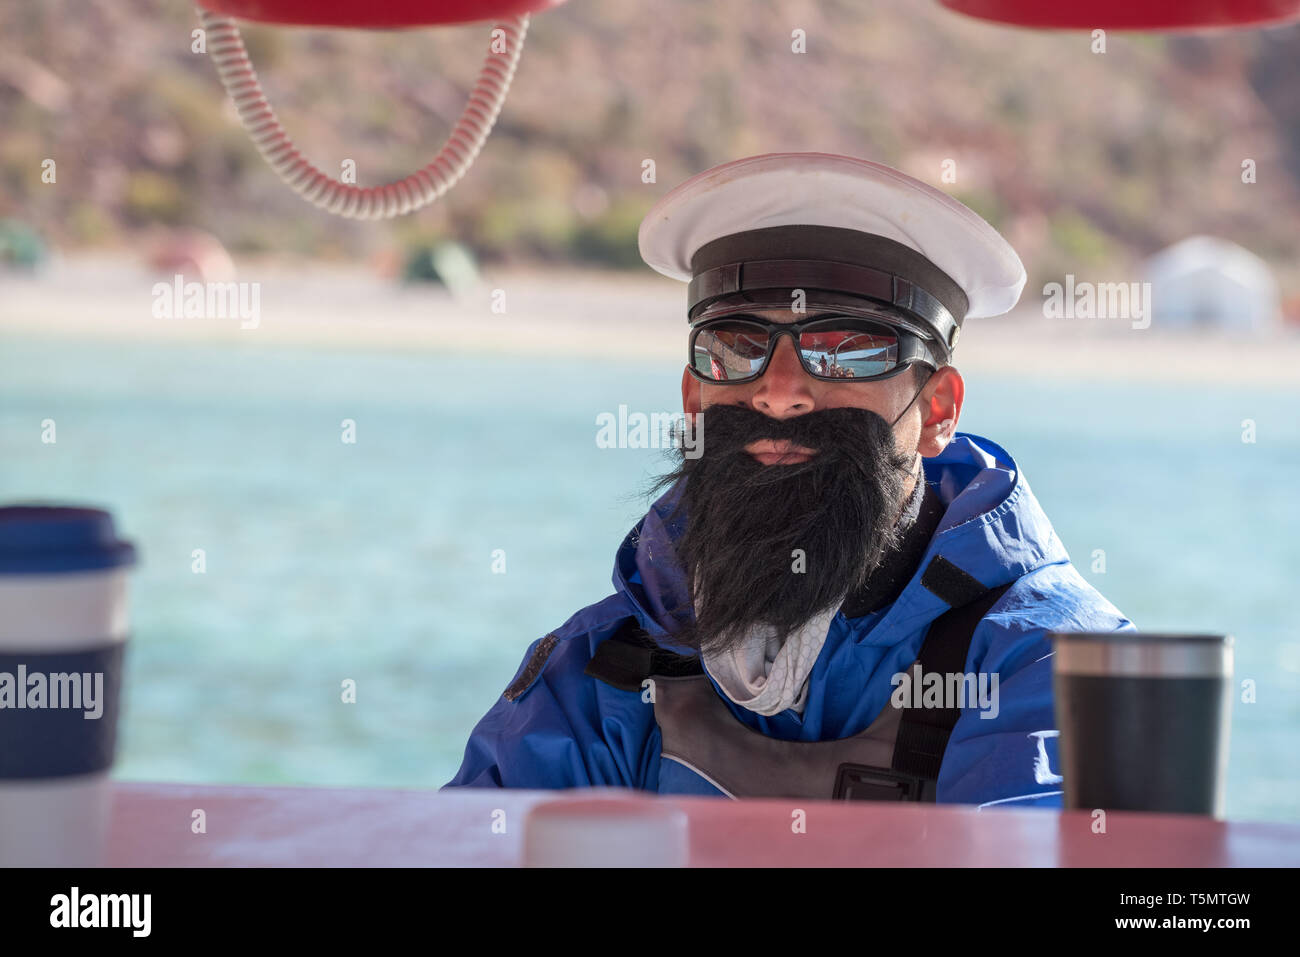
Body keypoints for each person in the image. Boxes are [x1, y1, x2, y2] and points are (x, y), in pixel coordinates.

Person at [443, 152, 1133, 806]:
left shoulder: (1055, 669)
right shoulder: (605, 671)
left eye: (844, 351)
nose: (779, 392)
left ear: (937, 409)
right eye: (737, 346)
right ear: (694, 402)